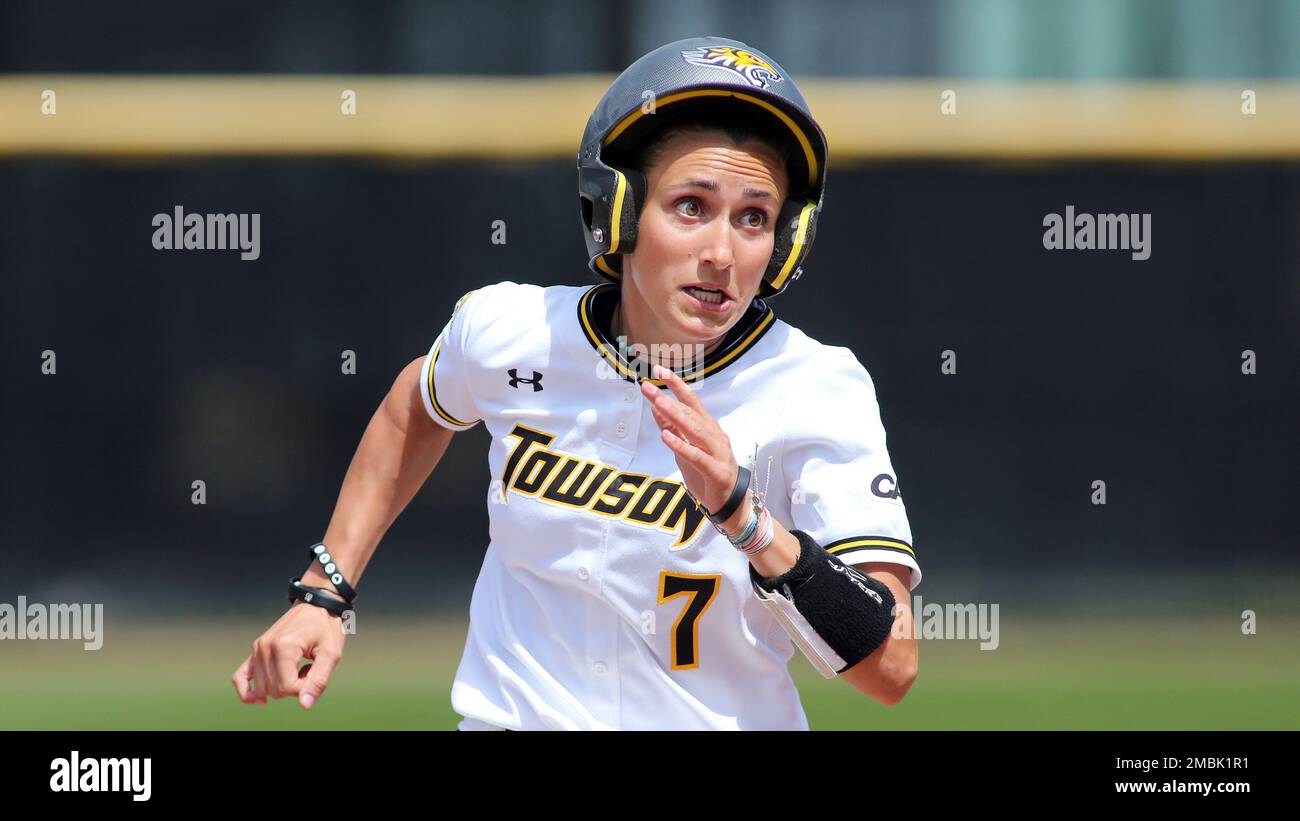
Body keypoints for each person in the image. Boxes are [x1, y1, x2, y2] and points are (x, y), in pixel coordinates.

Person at [232, 35, 920, 730]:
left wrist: (746, 518)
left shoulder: (813, 386)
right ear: (618, 209)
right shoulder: (512, 328)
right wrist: (324, 592)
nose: (721, 252)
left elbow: (891, 667)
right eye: (691, 205)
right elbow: (417, 404)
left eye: (754, 218)